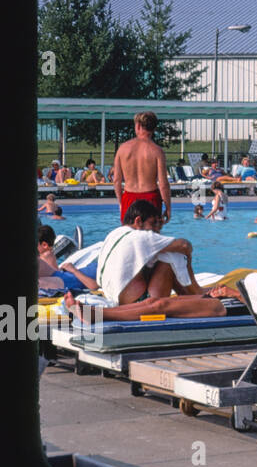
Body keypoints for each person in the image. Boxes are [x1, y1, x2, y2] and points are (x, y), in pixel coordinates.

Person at [66, 200, 217, 319]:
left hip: (116, 298)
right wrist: (188, 259)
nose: (157, 230)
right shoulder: (141, 236)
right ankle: (194, 291)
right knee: (173, 254)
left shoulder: (113, 234)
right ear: (138, 221)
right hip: (141, 303)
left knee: (162, 252)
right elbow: (185, 245)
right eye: (153, 224)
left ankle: (192, 293)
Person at [113, 110, 172, 224]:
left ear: (138, 126)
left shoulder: (123, 149)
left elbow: (116, 181)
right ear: (154, 129)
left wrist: (121, 202)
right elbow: (163, 184)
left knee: (129, 237)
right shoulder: (157, 151)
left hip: (129, 197)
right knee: (151, 238)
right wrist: (168, 207)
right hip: (151, 198)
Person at [38, 224, 97, 292]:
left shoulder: (47, 255)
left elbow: (93, 286)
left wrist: (72, 270)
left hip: (67, 279)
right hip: (66, 278)